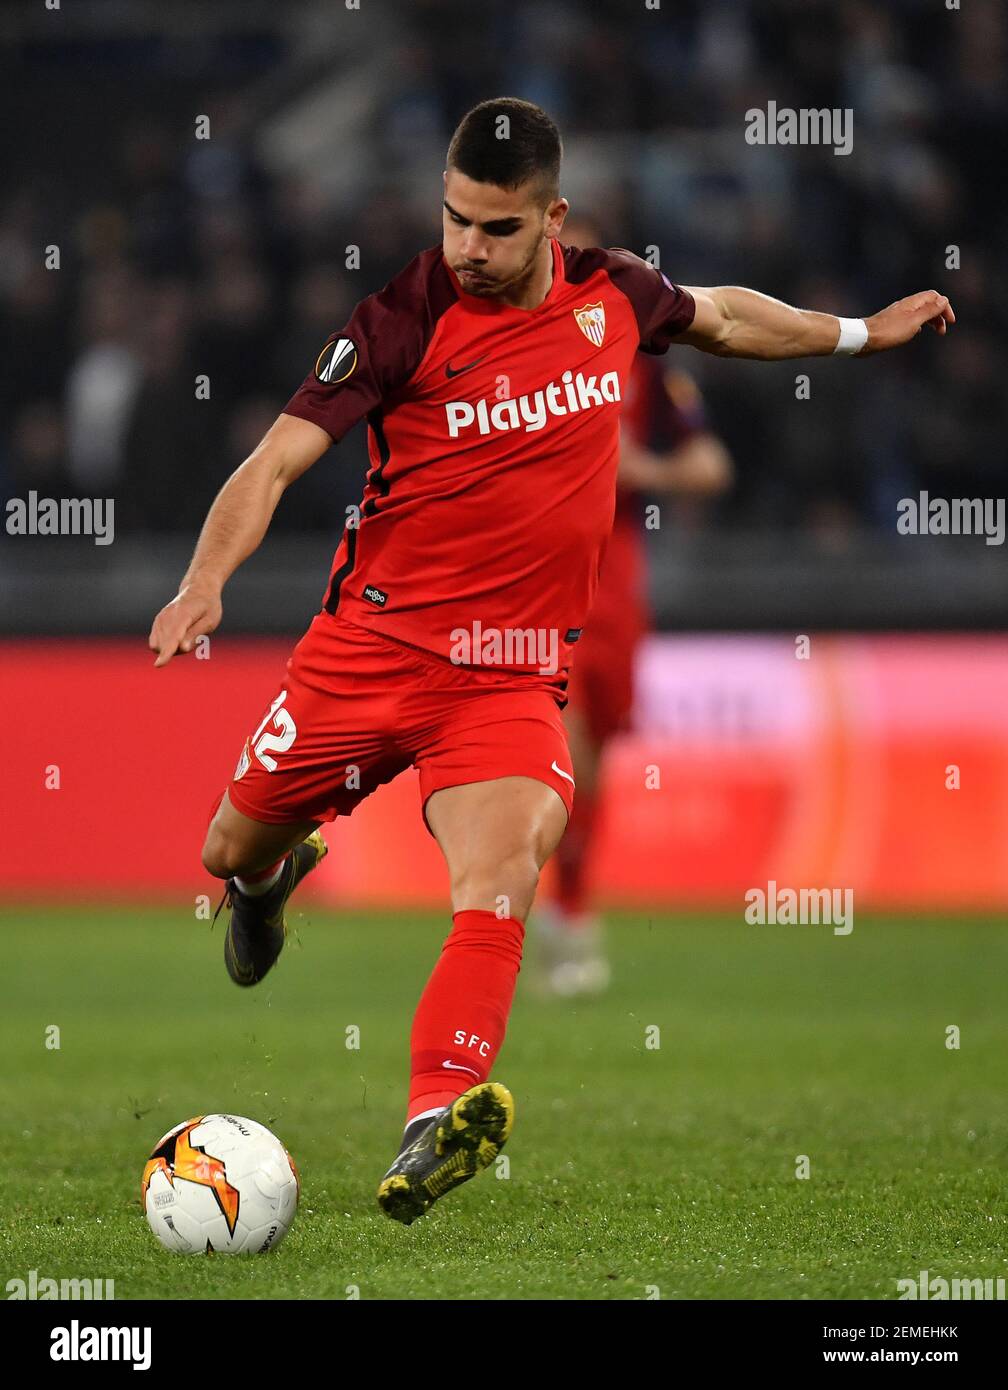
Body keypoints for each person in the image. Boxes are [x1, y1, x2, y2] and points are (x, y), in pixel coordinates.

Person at [147, 97, 954, 1226]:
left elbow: (729, 317)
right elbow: (273, 463)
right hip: (366, 654)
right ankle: (268, 882)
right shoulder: (398, 319)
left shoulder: (616, 294)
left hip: (510, 672)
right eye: (455, 220)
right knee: (228, 843)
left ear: (553, 219)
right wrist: (202, 582)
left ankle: (437, 1113)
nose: (467, 248)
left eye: (496, 229)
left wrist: (863, 334)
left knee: (508, 864)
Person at [535, 215, 734, 996]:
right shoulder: (508, 348)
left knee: (598, 762)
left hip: (617, 584)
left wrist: (635, 472)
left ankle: (570, 903)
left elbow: (710, 464)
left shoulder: (640, 354)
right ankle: (544, 915)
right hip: (538, 579)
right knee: (566, 750)